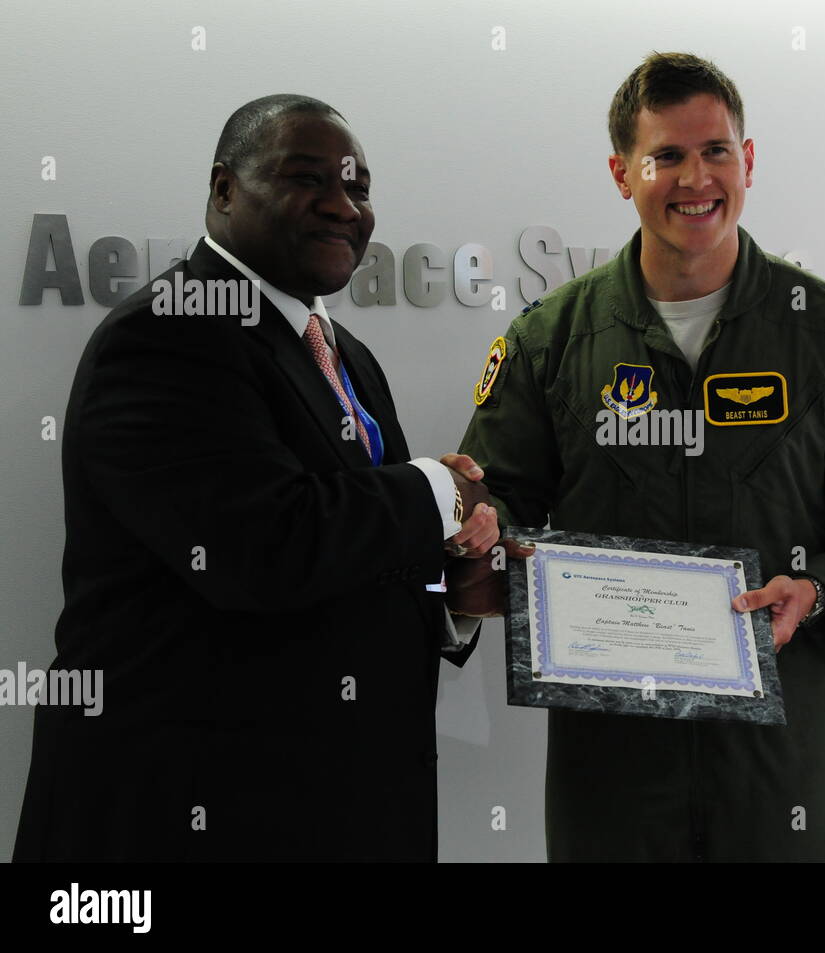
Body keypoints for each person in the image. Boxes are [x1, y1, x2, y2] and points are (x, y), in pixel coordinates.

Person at [457, 53, 825, 861]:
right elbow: (499, 496)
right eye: (668, 156)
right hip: (612, 760)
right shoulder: (551, 340)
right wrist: (484, 530)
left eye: (716, 150)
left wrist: (821, 590)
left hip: (783, 755)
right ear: (622, 173)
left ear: (747, 160)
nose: (697, 177)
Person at [12, 94, 497, 861]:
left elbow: (362, 552)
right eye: (308, 178)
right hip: (189, 814)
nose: (343, 207)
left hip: (340, 807)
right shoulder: (165, 334)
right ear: (225, 188)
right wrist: (441, 490)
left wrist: (451, 594)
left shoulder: (346, 355)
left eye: (359, 187)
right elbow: (266, 546)